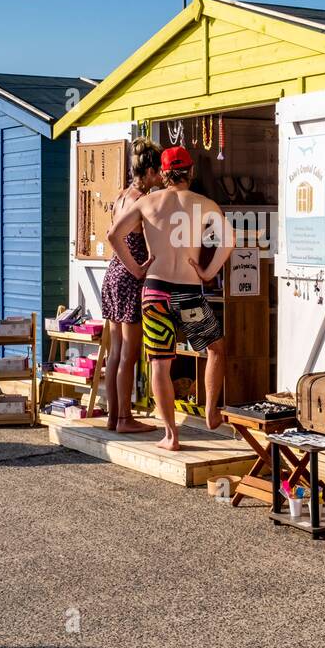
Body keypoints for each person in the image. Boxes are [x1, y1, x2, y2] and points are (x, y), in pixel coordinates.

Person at [108, 145, 234, 451]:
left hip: (155, 293)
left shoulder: (148, 202)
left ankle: (170, 435)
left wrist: (137, 268)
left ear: (163, 174)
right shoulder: (205, 204)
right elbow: (229, 240)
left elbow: (113, 235)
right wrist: (207, 271)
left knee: (159, 364)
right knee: (215, 350)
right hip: (188, 294)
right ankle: (211, 411)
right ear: (191, 171)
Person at [100, 137, 162, 434]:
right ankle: (125, 418)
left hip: (112, 275)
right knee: (129, 353)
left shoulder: (122, 195)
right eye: (158, 171)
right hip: (127, 278)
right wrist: (138, 269)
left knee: (115, 352)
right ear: (149, 171)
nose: (161, 176)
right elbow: (114, 236)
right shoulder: (141, 200)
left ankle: (114, 417)